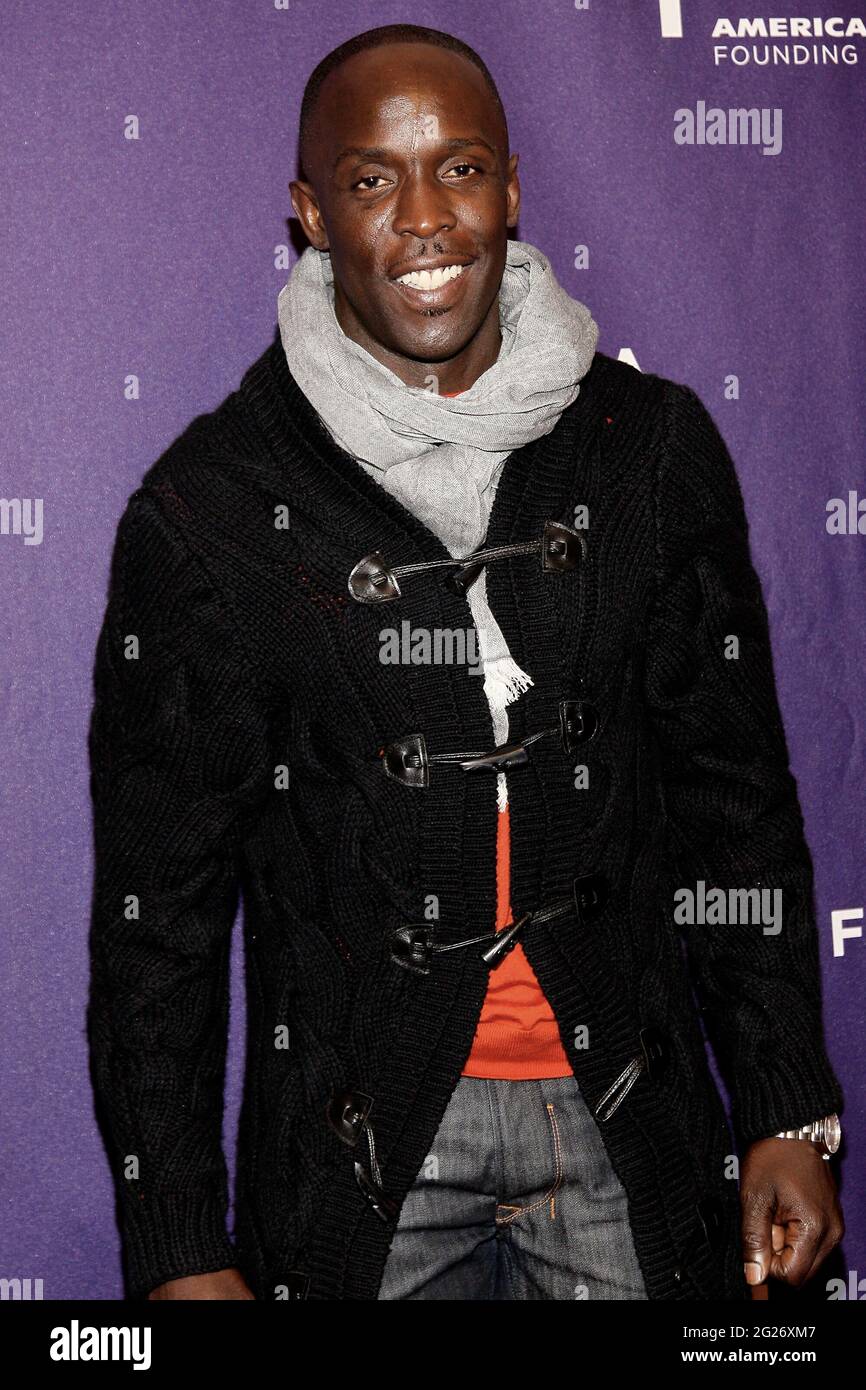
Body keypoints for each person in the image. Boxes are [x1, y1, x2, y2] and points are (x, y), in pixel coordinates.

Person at [87, 24, 844, 1302]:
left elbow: (735, 807)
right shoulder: (210, 511)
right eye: (373, 179)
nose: (427, 219)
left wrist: (782, 1101)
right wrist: (176, 1245)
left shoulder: (646, 451)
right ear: (310, 213)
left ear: (510, 189)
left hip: (626, 1126)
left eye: (462, 168)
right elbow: (155, 920)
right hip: (359, 1157)